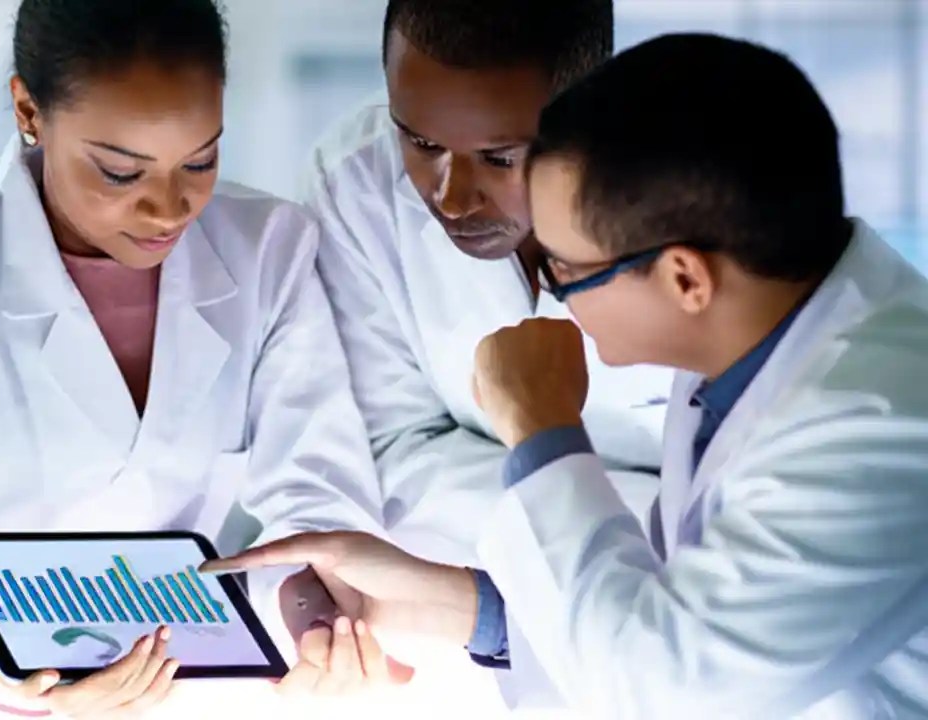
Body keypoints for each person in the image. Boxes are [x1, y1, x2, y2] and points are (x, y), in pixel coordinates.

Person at [207, 33, 928, 719]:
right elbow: (662, 618)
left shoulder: (873, 428)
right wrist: (440, 603)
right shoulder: (753, 359)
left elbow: (663, 693)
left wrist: (542, 428)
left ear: (685, 278)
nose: (547, 290)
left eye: (564, 268)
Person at [0, 0, 395, 716]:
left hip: (188, 679)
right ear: (28, 110)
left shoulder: (269, 248)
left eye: (200, 160)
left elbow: (314, 480)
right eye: (121, 172)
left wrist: (313, 614)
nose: (169, 209)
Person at [304, 0, 671, 572]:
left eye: (498, 159)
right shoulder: (356, 181)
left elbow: (744, 498)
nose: (451, 199)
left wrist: (595, 526)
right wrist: (605, 520)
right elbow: (390, 458)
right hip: (462, 582)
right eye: (421, 145)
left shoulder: (705, 210)